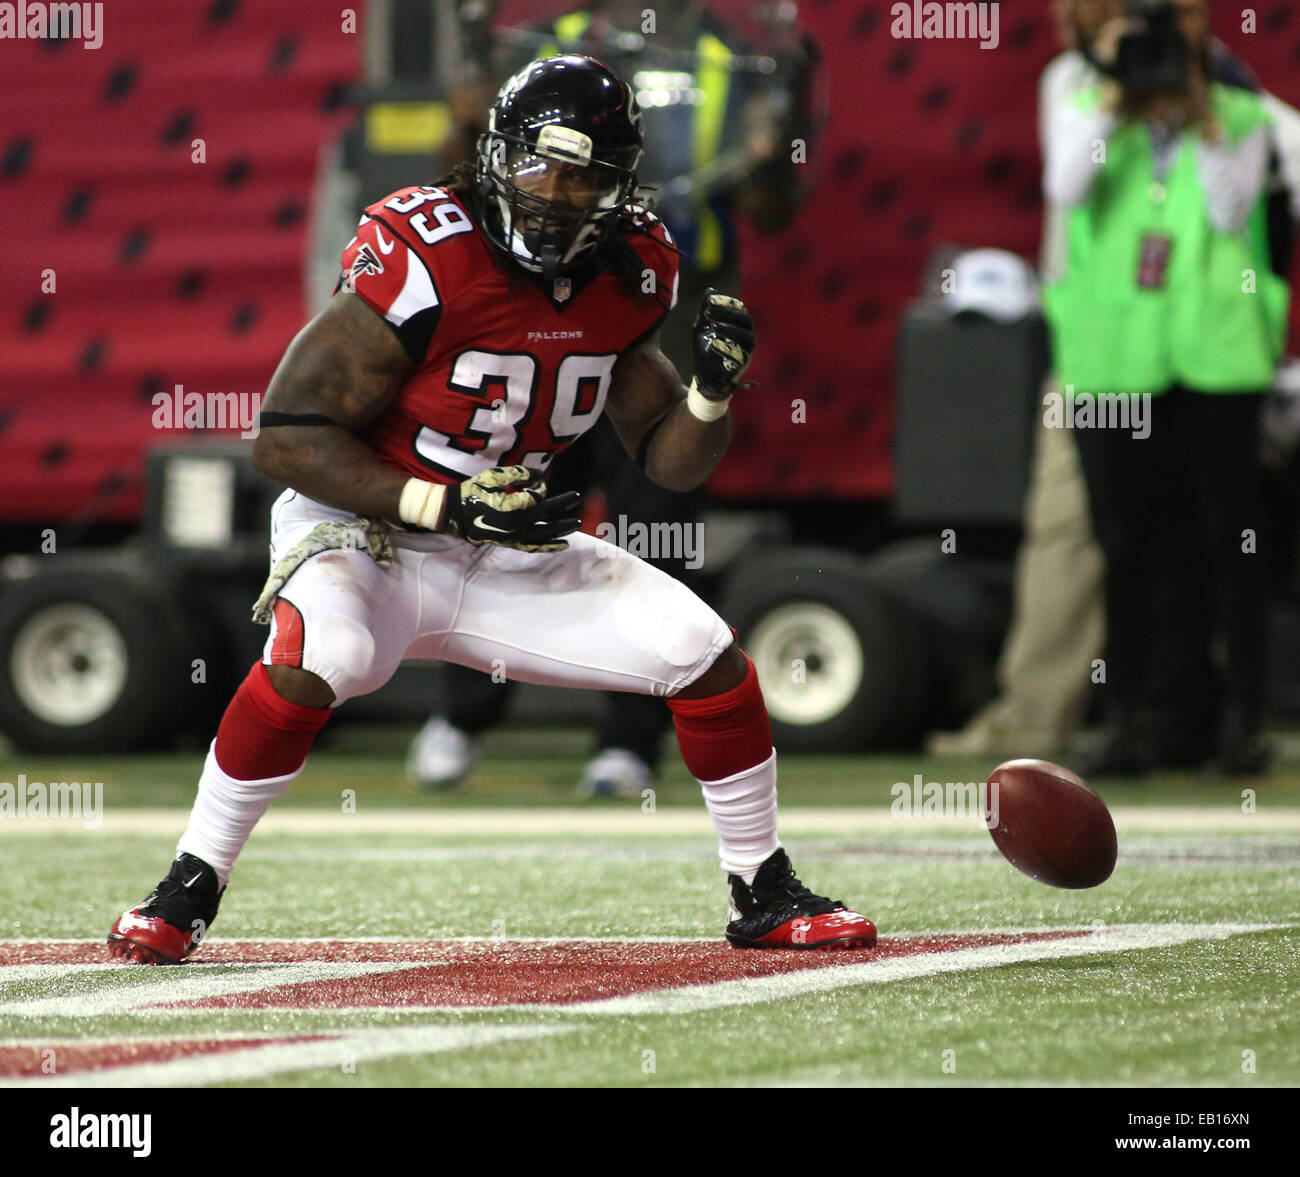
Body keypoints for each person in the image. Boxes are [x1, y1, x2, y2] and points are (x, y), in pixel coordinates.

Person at [106, 56, 876, 964]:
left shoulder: (631, 266)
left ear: (619, 186)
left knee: (703, 655)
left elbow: (665, 461)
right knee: (327, 653)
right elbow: (285, 437)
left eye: (583, 174)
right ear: (496, 156)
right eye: (538, 164)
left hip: (504, 543)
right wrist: (442, 501)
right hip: (369, 534)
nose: (554, 192)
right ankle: (188, 884)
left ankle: (762, 890)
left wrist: (709, 395)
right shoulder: (429, 252)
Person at [409, 0, 809, 796]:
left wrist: (770, 152)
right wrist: (463, 117)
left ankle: (629, 739)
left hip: (666, 306)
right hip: (540, 308)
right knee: (508, 512)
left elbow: (772, 207)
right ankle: (464, 713)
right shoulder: (547, 50)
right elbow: (462, 172)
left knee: (653, 528)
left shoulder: (731, 57)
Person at [1044, 0, 1289, 777]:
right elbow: (1065, 187)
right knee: (1125, 545)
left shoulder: (1241, 112)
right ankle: (1128, 721)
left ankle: (1241, 723)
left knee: (1230, 544)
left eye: (1177, 17)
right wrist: (1116, 94)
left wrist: (1201, 111)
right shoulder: (1082, 99)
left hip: (1217, 357)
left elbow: (1230, 209)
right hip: (1114, 359)